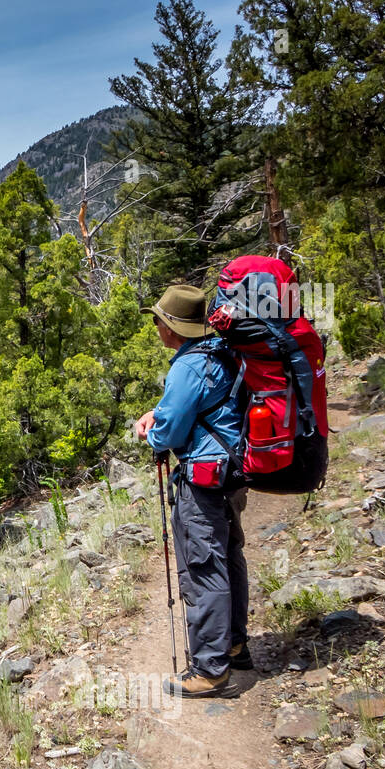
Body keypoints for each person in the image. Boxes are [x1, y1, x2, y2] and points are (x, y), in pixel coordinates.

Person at [134, 284, 251, 699]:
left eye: (158, 320)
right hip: (235, 471)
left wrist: (149, 430)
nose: (155, 326)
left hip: (204, 479)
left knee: (203, 567)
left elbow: (167, 433)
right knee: (229, 554)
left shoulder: (186, 366)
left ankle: (210, 669)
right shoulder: (220, 351)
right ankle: (234, 643)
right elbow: (202, 406)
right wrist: (162, 411)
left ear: (171, 327)